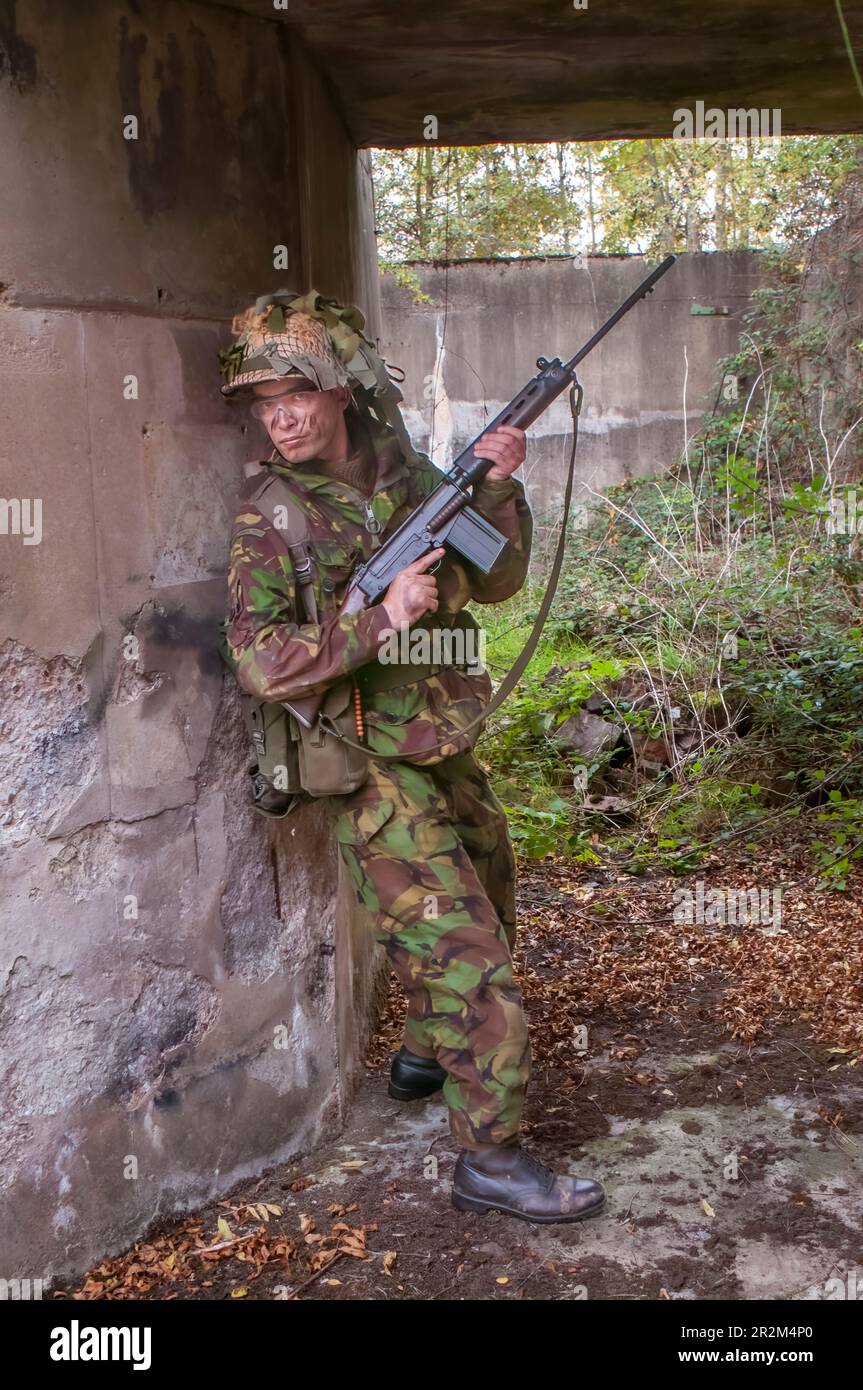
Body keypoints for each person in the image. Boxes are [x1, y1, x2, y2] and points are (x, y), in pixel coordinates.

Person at [220, 292, 606, 1224]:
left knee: (495, 882)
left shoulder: (403, 475)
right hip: (362, 760)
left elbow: (501, 582)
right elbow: (259, 661)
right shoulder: (269, 518)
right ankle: (489, 1156)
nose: (280, 415)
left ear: (339, 393)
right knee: (470, 958)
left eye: (296, 393)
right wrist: (378, 616)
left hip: (435, 742)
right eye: (262, 400)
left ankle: (427, 1053)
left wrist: (498, 481)